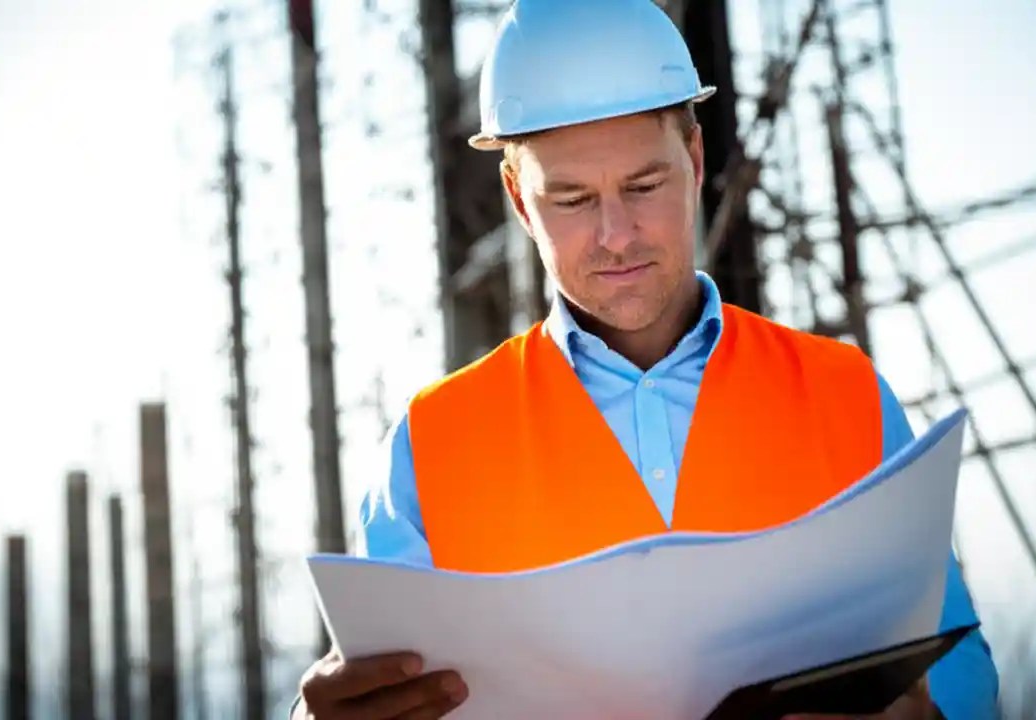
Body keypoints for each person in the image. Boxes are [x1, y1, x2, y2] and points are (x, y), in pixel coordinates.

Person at [292, 0, 999, 718]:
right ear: (518, 199)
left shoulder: (843, 394)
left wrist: (922, 714)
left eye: (643, 186)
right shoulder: (431, 446)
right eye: (570, 199)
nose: (617, 235)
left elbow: (957, 662)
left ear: (693, 161)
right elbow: (372, 691)